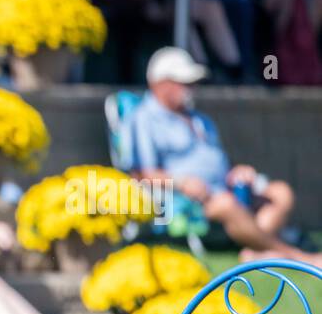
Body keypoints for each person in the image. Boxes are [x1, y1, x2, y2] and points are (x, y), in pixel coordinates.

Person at [126, 46, 312, 261]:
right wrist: (181, 182)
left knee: (281, 193)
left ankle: (254, 249)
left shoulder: (199, 119)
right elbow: (141, 173)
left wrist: (236, 171)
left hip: (227, 191)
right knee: (226, 204)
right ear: (160, 83)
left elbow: (217, 160)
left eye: (192, 83)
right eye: (184, 82)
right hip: (189, 202)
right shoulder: (143, 118)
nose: (191, 88)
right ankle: (296, 256)